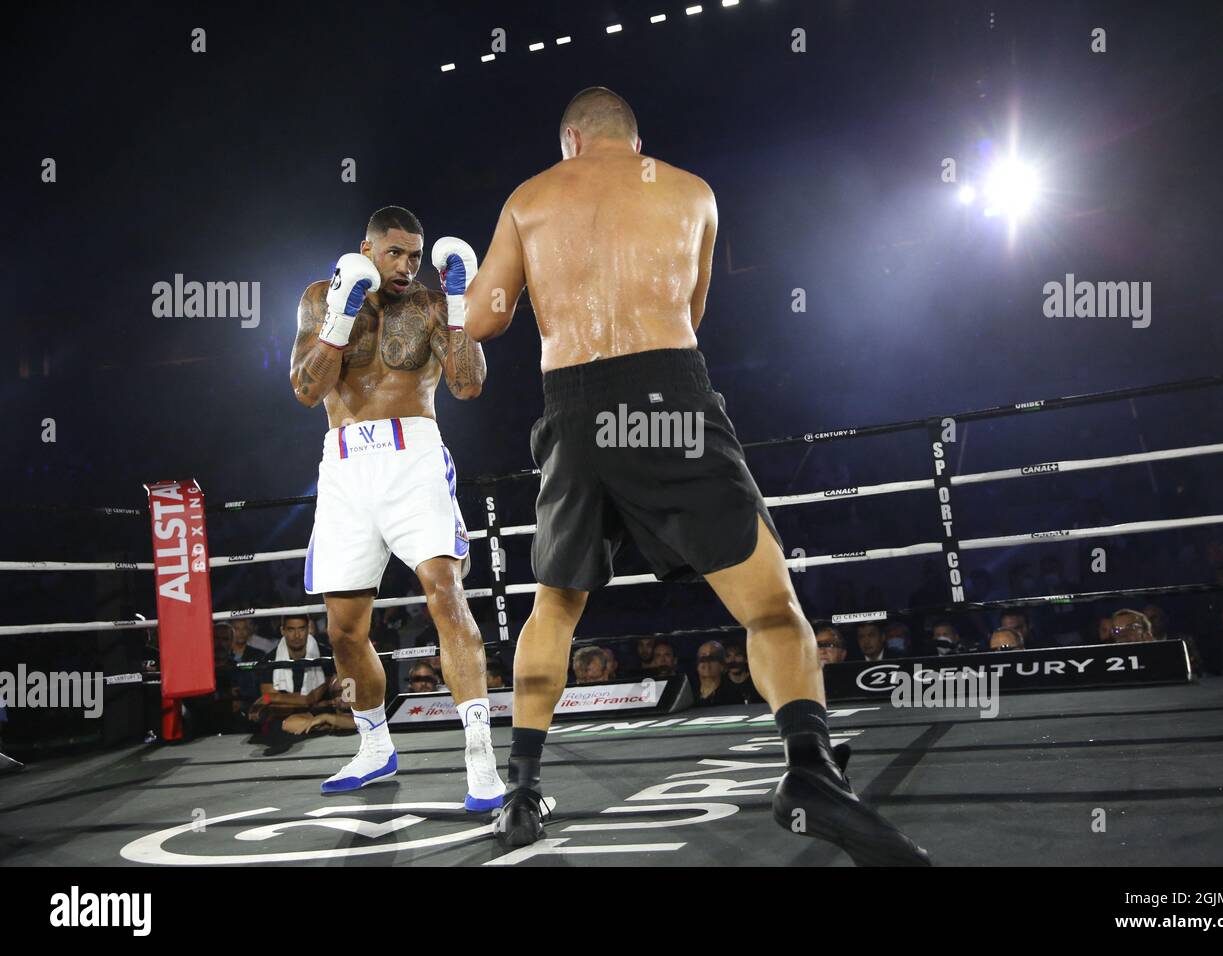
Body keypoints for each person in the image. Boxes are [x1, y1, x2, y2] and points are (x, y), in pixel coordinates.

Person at [463, 87, 928, 864]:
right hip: (667, 395)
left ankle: (519, 790)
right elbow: (691, 310)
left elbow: (483, 320)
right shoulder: (691, 192)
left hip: (572, 406)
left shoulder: (530, 198)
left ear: (571, 139)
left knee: (555, 603)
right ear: (631, 139)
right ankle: (809, 770)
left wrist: (463, 292)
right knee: (772, 607)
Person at [289, 205, 504, 809]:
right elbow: (306, 392)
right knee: (343, 629)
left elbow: (467, 385)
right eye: (395, 254)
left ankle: (480, 755)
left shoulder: (433, 304)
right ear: (366, 248)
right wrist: (338, 318)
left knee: (445, 593)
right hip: (346, 467)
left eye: (416, 254)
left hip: (414, 460)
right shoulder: (318, 297)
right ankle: (375, 744)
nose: (408, 266)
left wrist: (459, 308)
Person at [693, 640, 741, 706]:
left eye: (712, 658)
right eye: (702, 659)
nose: (707, 663)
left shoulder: (733, 695)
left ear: (722, 666)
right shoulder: (688, 695)